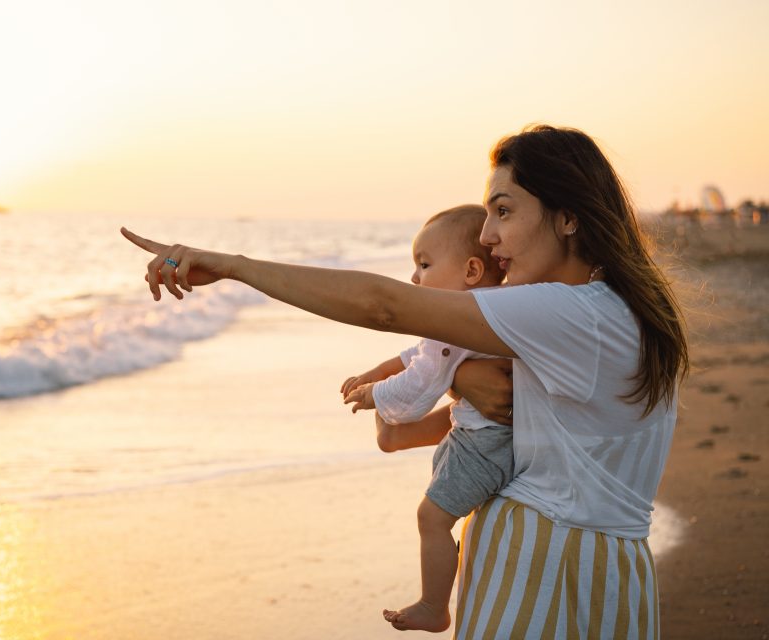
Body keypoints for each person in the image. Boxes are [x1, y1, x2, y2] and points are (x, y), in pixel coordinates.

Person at [120, 124, 688, 638]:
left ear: (569, 217)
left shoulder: (571, 314)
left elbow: (385, 306)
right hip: (608, 571)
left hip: (545, 561)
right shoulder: (606, 311)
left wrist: (233, 266)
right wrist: (459, 378)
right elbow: (432, 424)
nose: (487, 236)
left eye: (505, 212)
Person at [339, 204, 512, 632]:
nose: (415, 278)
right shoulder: (494, 305)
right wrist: (380, 371)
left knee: (431, 518)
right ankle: (392, 436)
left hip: (487, 443)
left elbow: (421, 386)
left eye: (424, 264)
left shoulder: (459, 318)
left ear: (471, 271)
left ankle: (434, 606)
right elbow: (419, 354)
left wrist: (376, 395)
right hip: (490, 433)